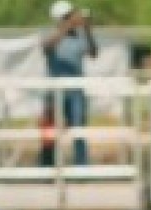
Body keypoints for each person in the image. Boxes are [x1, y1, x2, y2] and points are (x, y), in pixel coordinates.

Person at [42, 1, 98, 167]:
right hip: (55, 93)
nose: (73, 19)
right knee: (51, 133)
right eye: (68, 16)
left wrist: (87, 30)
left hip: (76, 93)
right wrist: (67, 26)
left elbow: (94, 53)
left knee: (79, 131)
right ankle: (48, 167)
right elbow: (46, 47)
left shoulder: (79, 37)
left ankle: (81, 167)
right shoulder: (53, 35)